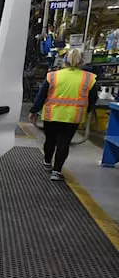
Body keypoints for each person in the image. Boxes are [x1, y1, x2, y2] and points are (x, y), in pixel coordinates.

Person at [28, 48, 97, 181]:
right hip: (73, 117)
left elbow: (41, 95)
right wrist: (87, 112)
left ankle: (47, 162)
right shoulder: (89, 78)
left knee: (50, 140)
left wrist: (34, 111)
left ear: (64, 61)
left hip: (52, 115)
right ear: (82, 61)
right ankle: (56, 171)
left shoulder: (53, 76)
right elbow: (93, 99)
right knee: (63, 143)